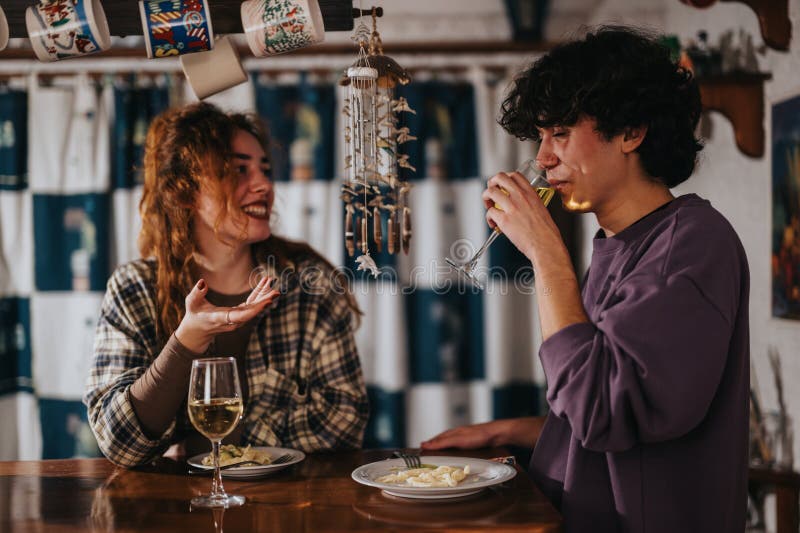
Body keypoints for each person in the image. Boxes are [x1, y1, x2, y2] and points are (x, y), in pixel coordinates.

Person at [423, 26, 749, 533]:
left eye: (561, 133)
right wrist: (510, 431)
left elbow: (606, 413)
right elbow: (600, 405)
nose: (544, 157)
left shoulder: (692, 243)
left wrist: (545, 252)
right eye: (541, 137)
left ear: (631, 132)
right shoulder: (617, 242)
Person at [84, 102, 369, 467]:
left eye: (264, 169)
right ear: (186, 192)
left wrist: (202, 443)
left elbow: (345, 421)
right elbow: (117, 441)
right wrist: (185, 343)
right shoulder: (134, 288)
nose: (264, 184)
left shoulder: (309, 283)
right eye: (238, 170)